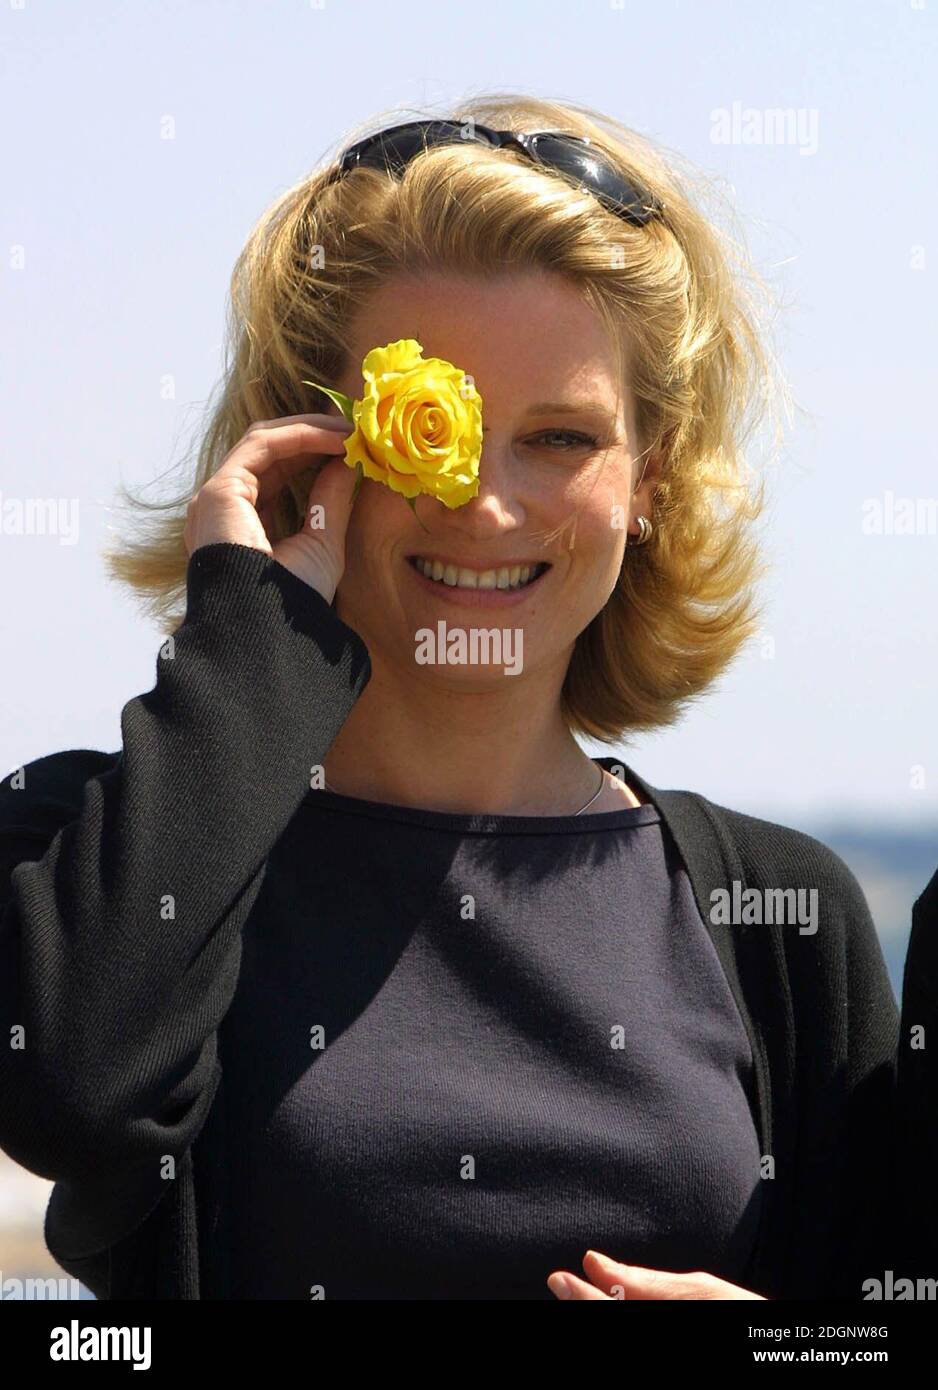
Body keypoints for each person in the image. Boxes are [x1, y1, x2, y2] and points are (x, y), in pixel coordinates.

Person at [0, 94, 923, 1301]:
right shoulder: (100, 850)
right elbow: (65, 1096)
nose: (486, 505)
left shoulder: (778, 914)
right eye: (428, 432)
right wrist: (249, 631)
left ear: (648, 477)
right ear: (305, 447)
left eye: (558, 438)